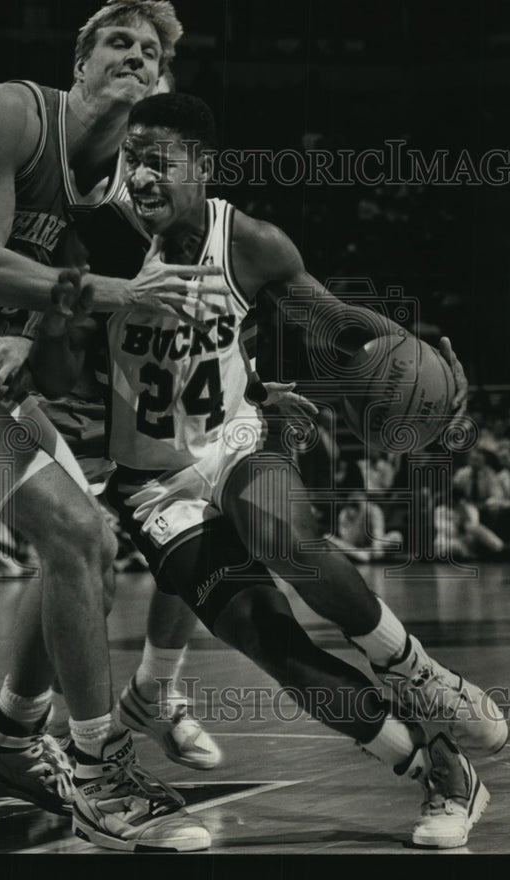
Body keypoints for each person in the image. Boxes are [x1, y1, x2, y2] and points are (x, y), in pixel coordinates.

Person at [30, 93, 508, 849]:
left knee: (280, 531)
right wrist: (57, 318)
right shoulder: (102, 246)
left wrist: (432, 381)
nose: (143, 176)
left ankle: (420, 674)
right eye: (133, 160)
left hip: (236, 439)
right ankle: (441, 773)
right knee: (274, 645)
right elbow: (56, 379)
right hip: (153, 484)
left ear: (205, 169)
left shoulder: (248, 243)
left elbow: (336, 327)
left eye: (161, 160)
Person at [0, 3, 236, 852]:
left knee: (88, 548)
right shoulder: (8, 112)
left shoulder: (121, 183)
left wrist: (29, 323)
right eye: (118, 43)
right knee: (72, 531)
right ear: (82, 63)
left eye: (152, 51)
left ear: (162, 82)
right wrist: (108, 297)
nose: (136, 56)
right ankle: (97, 768)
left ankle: (9, 744)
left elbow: (88, 272)